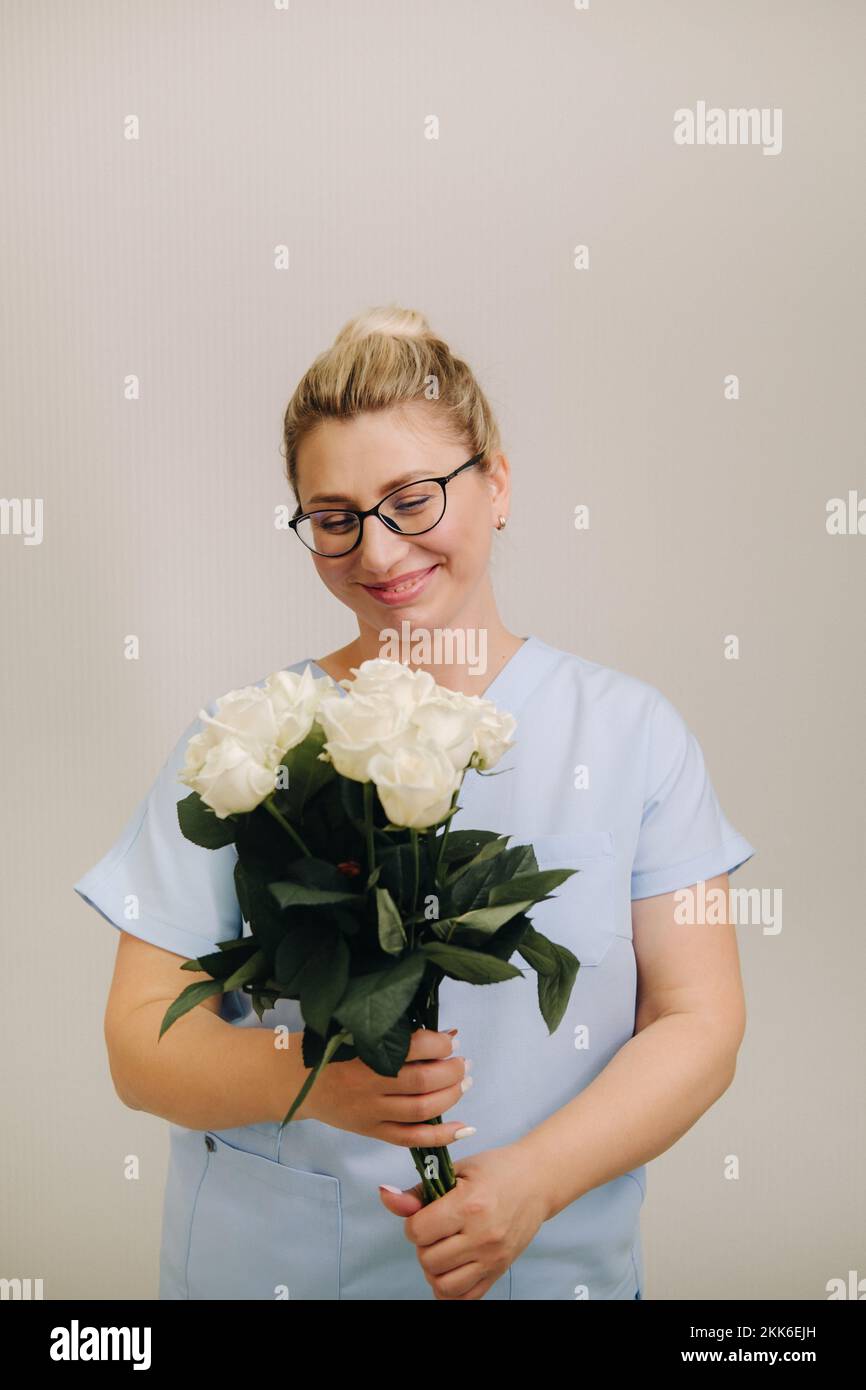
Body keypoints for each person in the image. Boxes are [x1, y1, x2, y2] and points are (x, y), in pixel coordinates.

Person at [73, 304, 757, 1301]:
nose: (379, 553)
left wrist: (533, 1183)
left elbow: (699, 1021)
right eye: (336, 516)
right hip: (275, 1266)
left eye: (413, 499)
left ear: (498, 485)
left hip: (550, 1263)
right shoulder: (252, 740)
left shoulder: (631, 735)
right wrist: (314, 1077)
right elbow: (139, 1041)